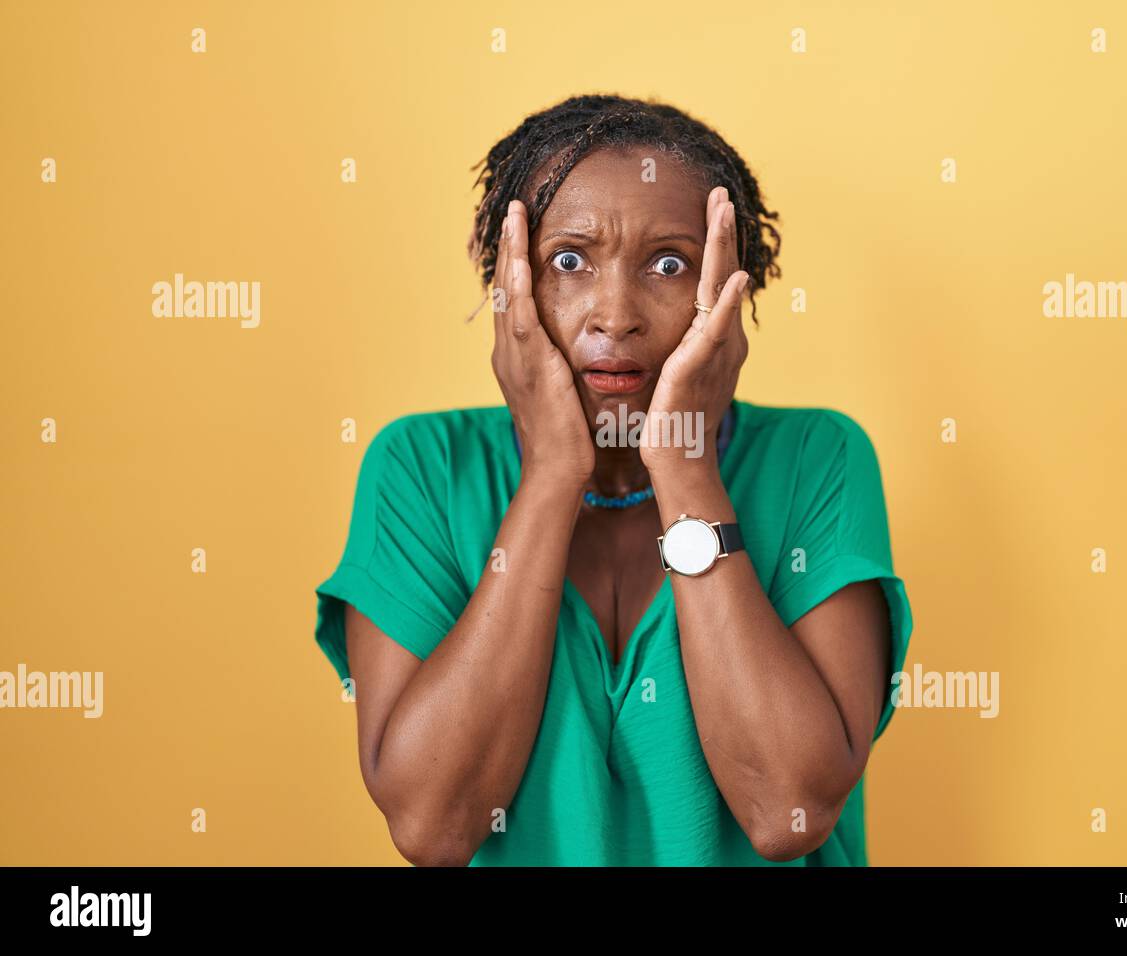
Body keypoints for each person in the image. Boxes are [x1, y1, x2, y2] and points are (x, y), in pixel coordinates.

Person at [313, 93, 914, 866]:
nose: (615, 314)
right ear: (510, 285)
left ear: (733, 289)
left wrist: (685, 463)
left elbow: (788, 813)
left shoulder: (818, 459)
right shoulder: (421, 469)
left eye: (670, 264)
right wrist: (552, 477)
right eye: (569, 261)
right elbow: (434, 827)